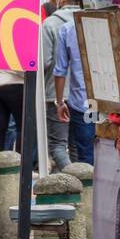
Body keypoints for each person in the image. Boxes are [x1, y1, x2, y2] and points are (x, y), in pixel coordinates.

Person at [40, 0, 82, 172]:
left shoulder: (50, 24)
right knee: (74, 146)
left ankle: (75, 180)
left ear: (62, 0)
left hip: (56, 94)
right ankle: (80, 190)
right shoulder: (87, 20)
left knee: (57, 146)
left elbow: (45, 61)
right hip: (82, 94)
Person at [53, 19, 94, 165]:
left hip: (82, 102)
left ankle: (88, 187)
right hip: (110, 103)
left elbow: (60, 70)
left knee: (86, 155)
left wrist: (59, 102)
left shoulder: (68, 28)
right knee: (112, 153)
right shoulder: (112, 20)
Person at [0, 68, 25, 155]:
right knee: (22, 127)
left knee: (0, 128)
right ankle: (20, 163)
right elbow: (20, 68)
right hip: (14, 83)